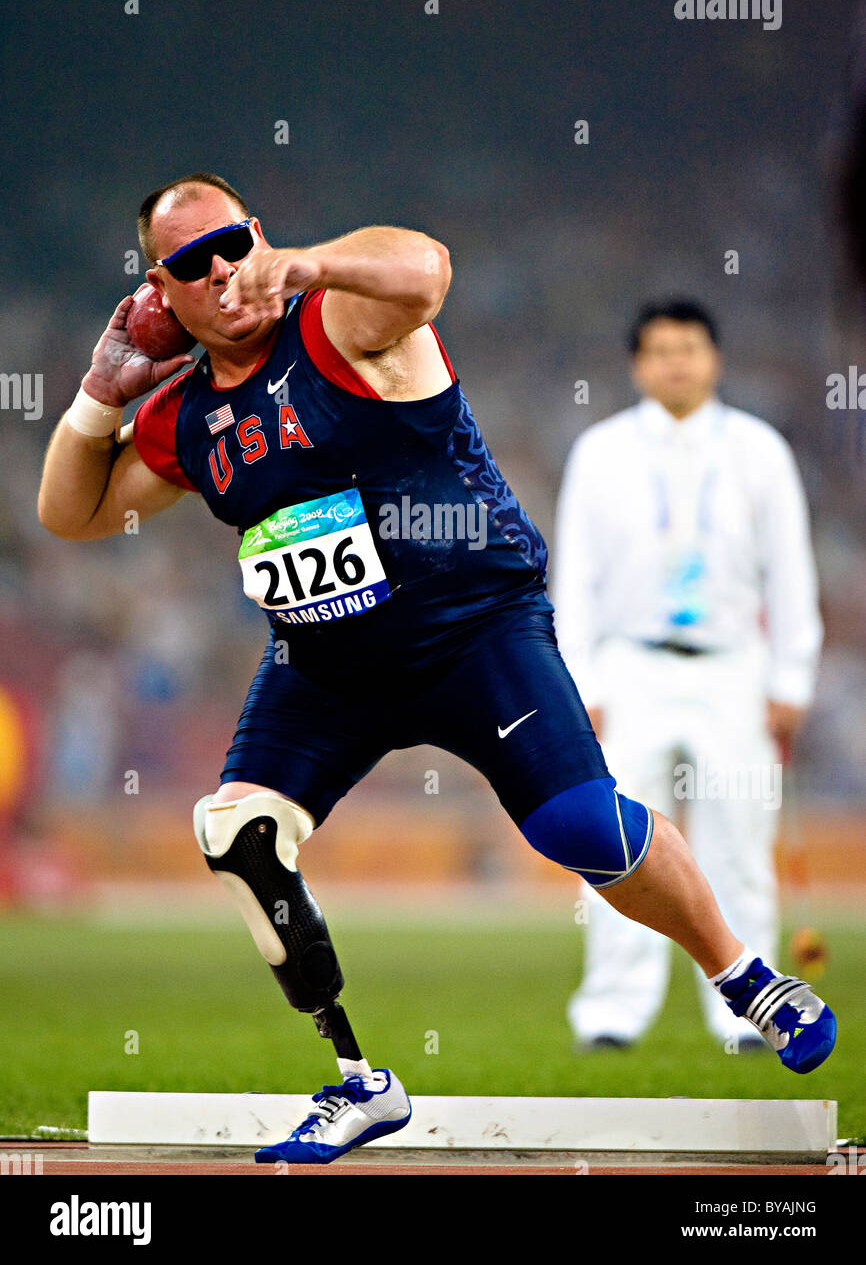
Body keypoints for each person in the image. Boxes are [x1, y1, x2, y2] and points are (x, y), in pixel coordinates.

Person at [37, 178, 836, 1164]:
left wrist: (311, 262)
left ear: (260, 238)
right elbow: (72, 515)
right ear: (162, 291)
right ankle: (359, 1080)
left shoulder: (339, 323)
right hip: (324, 664)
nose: (223, 271)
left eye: (234, 243)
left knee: (578, 823)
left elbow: (427, 270)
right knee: (237, 832)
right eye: (191, 264)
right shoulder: (185, 416)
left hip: (474, 631)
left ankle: (743, 975)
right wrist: (97, 393)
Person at [553, 300, 823, 1051]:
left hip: (733, 668)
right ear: (638, 364)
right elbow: (573, 577)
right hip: (629, 665)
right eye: (661, 349)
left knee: (739, 839)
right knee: (615, 844)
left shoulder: (758, 450)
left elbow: (790, 572)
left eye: (691, 347)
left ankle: (750, 1011)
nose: (676, 361)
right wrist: (583, 687)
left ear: (715, 359)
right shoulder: (600, 451)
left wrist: (792, 677)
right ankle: (612, 1011)